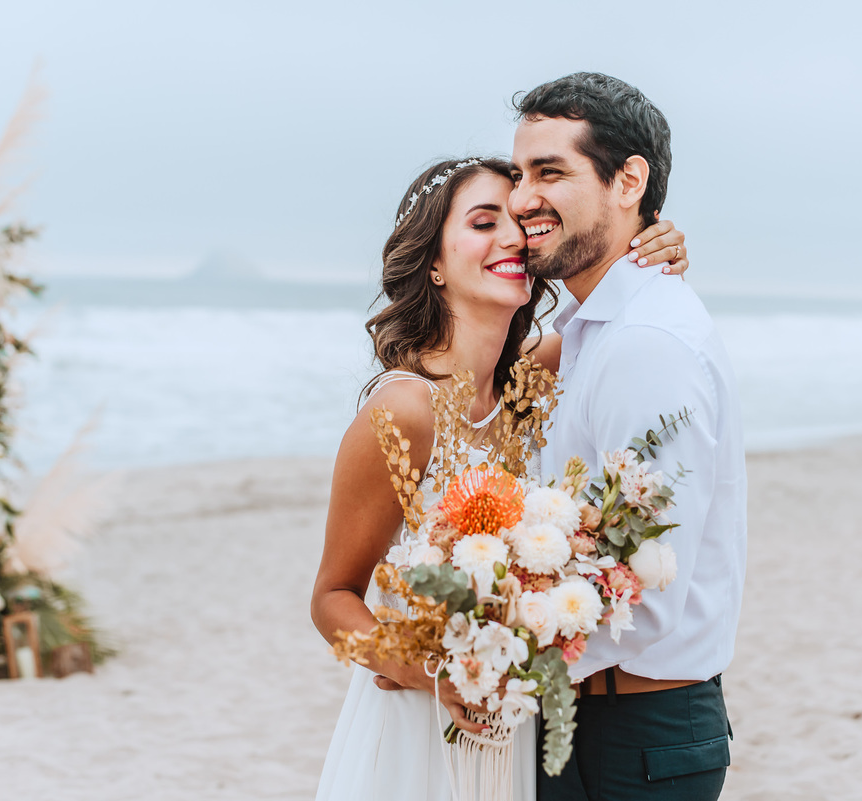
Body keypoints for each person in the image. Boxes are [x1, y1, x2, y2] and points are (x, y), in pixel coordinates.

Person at [310, 155, 689, 801]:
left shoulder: (532, 382)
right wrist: (431, 672)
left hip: (511, 730)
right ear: (434, 262)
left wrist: (656, 248)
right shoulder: (404, 409)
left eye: (517, 223)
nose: (513, 238)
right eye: (484, 223)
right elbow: (332, 597)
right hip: (420, 729)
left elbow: (619, 311)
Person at [508, 72, 747, 800]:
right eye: (518, 176)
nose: (522, 200)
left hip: (632, 737)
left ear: (629, 182)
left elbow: (647, 595)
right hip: (591, 718)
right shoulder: (588, 335)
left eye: (550, 172)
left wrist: (485, 652)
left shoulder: (645, 344)